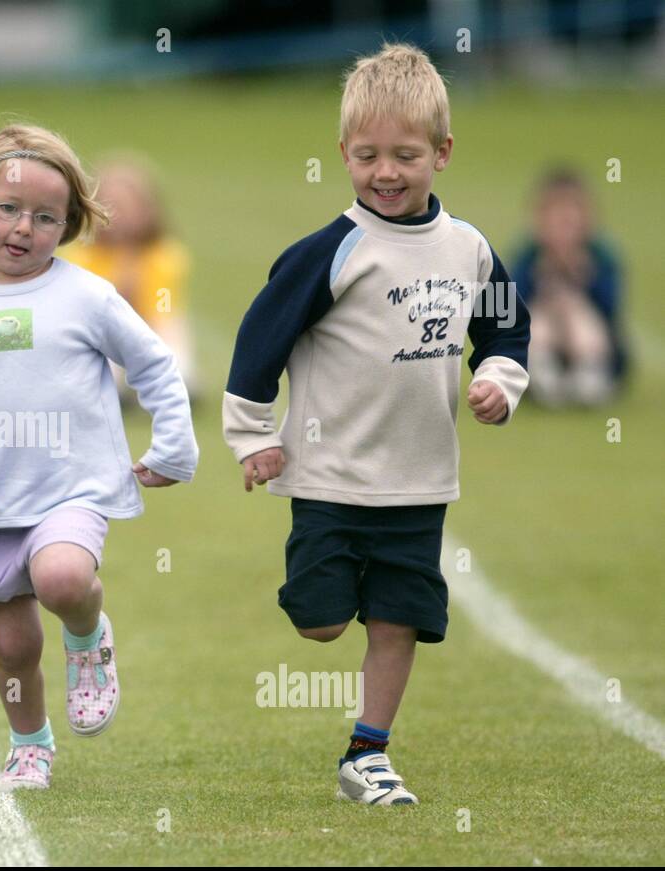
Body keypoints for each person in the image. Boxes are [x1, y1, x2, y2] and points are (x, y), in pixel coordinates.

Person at [222, 44, 530, 806]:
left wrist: (496, 380)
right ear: (343, 155)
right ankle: (326, 601)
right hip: (329, 477)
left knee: (399, 619)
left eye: (405, 155)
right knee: (323, 624)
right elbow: (260, 342)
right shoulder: (333, 253)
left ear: (443, 153)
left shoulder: (470, 251)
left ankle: (368, 752)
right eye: (367, 157)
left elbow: (505, 332)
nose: (385, 173)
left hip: (419, 481)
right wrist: (255, 437)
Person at [0, 124, 198, 789]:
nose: (22, 227)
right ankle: (30, 744)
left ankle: (87, 633)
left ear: (68, 226)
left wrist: (174, 446)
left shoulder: (85, 295)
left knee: (63, 578)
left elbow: (153, 362)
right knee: (11, 647)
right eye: (7, 208)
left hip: (73, 487)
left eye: (46, 217)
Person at [63, 155, 200, 403]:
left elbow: (163, 310)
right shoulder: (80, 255)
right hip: (97, 332)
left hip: (148, 327)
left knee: (173, 332)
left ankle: (172, 380)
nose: (119, 217)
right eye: (110, 206)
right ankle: (112, 386)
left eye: (127, 207)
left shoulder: (163, 256)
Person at [511, 168, 627, 406]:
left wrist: (585, 280)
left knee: (581, 320)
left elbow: (610, 311)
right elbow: (511, 309)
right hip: (545, 335)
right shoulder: (528, 256)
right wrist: (542, 284)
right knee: (537, 325)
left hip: (586, 340)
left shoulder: (601, 256)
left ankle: (590, 375)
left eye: (570, 221)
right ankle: (545, 377)